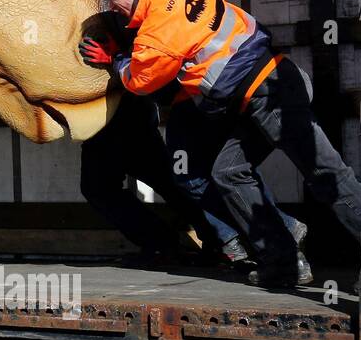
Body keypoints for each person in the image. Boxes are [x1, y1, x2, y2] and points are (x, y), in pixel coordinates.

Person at [58, 0, 361, 288]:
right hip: (265, 86)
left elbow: (139, 81)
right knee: (227, 171)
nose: (112, 9)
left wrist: (111, 59)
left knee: (328, 176)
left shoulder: (157, 31)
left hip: (268, 95)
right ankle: (284, 258)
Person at [79, 14, 305, 269]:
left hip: (180, 97)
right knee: (181, 176)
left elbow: (153, 65)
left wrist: (116, 59)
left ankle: (253, 238)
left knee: (189, 176)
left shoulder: (141, 0)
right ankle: (229, 240)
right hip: (168, 99)